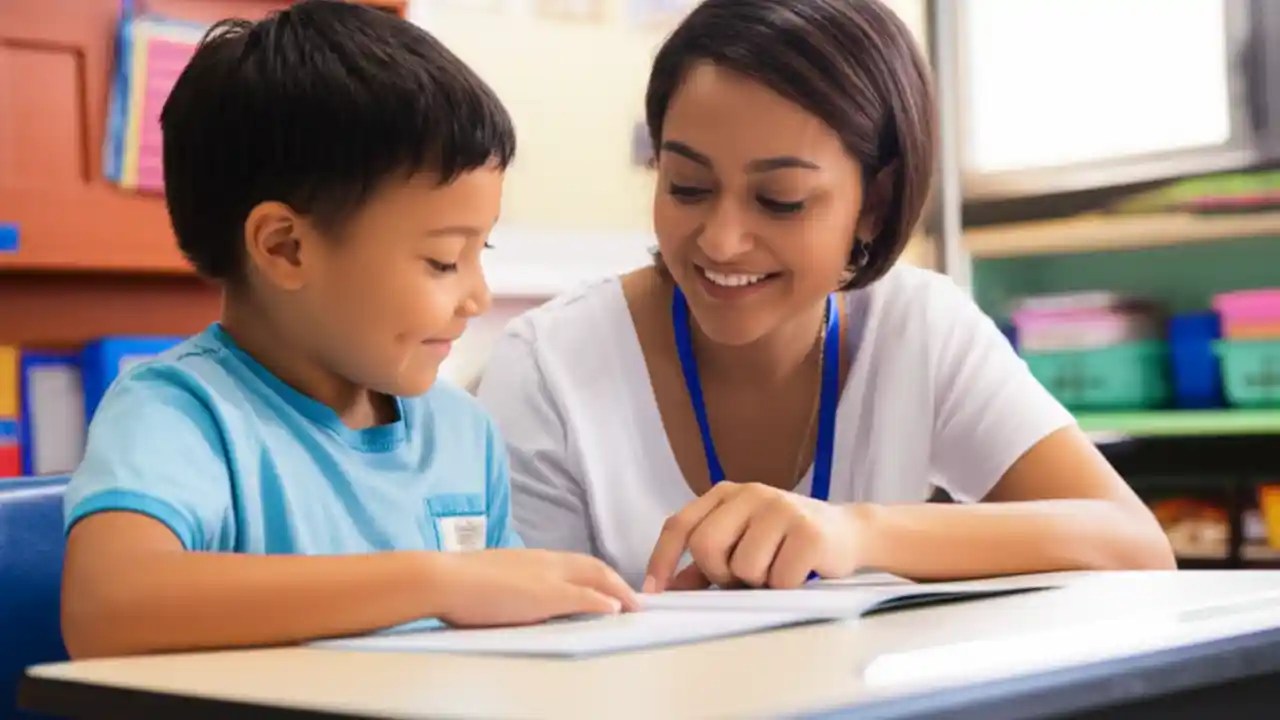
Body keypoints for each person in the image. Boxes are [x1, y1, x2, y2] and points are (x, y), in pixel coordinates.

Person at [476, 0, 1175, 592]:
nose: (721, 241)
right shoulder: (550, 366)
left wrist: (859, 531)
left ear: (874, 203)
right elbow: (522, 655)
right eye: (686, 186)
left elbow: (1135, 547)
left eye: (780, 200)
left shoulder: (920, 328)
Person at [61, 0, 636, 659]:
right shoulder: (179, 416)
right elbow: (108, 607)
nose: (476, 295)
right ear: (285, 249)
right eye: (443, 260)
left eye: (485, 253)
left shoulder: (459, 432)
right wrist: (434, 581)